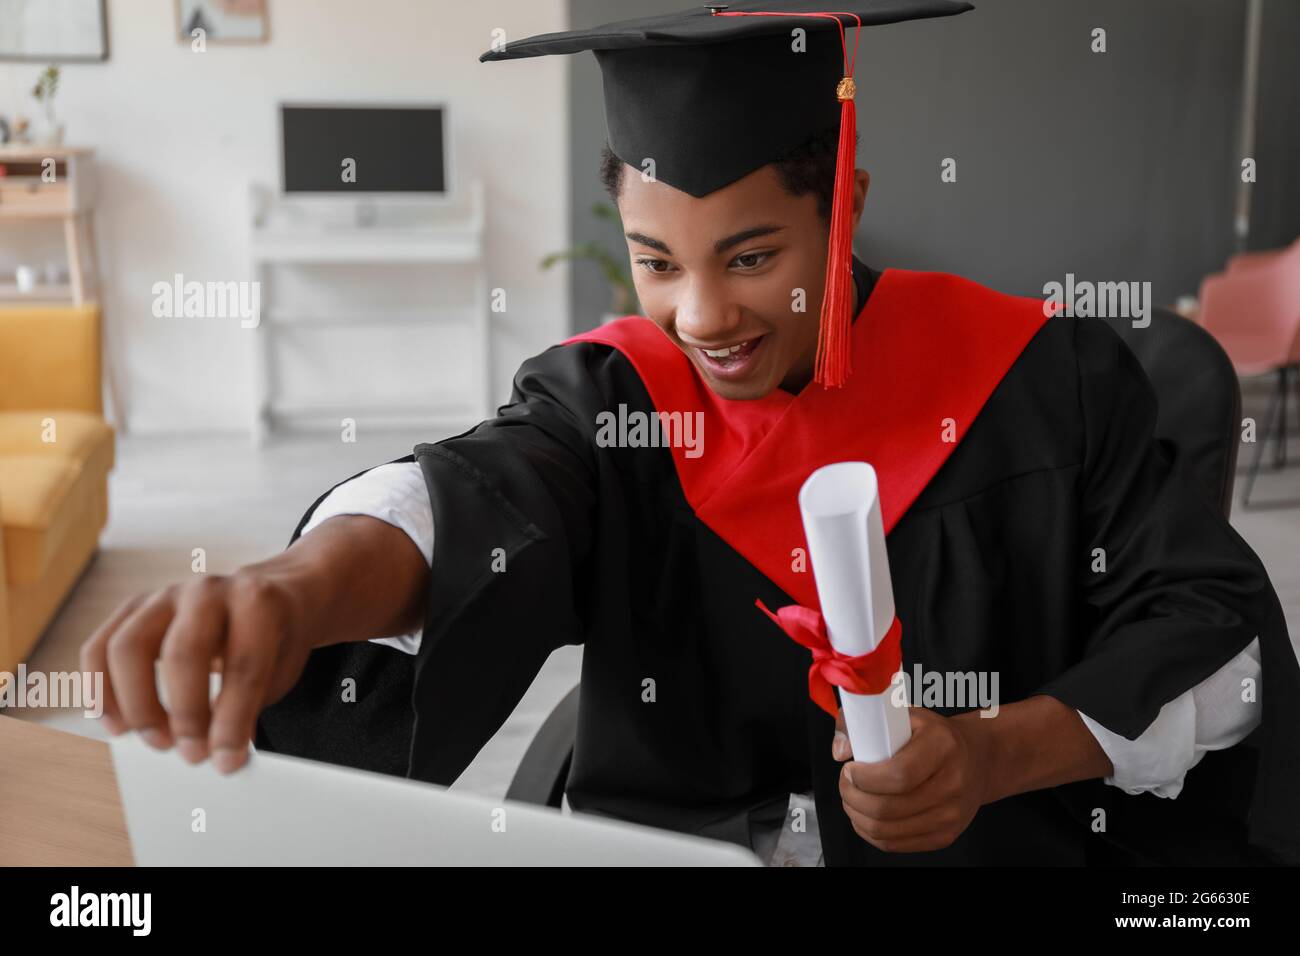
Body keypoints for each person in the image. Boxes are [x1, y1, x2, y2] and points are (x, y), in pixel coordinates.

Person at [82, 0, 1300, 866]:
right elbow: (483, 494)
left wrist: (991, 754)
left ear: (845, 207)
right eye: (656, 260)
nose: (702, 315)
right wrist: (297, 590)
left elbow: (1212, 642)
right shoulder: (614, 396)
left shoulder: (1046, 378)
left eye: (754, 256)